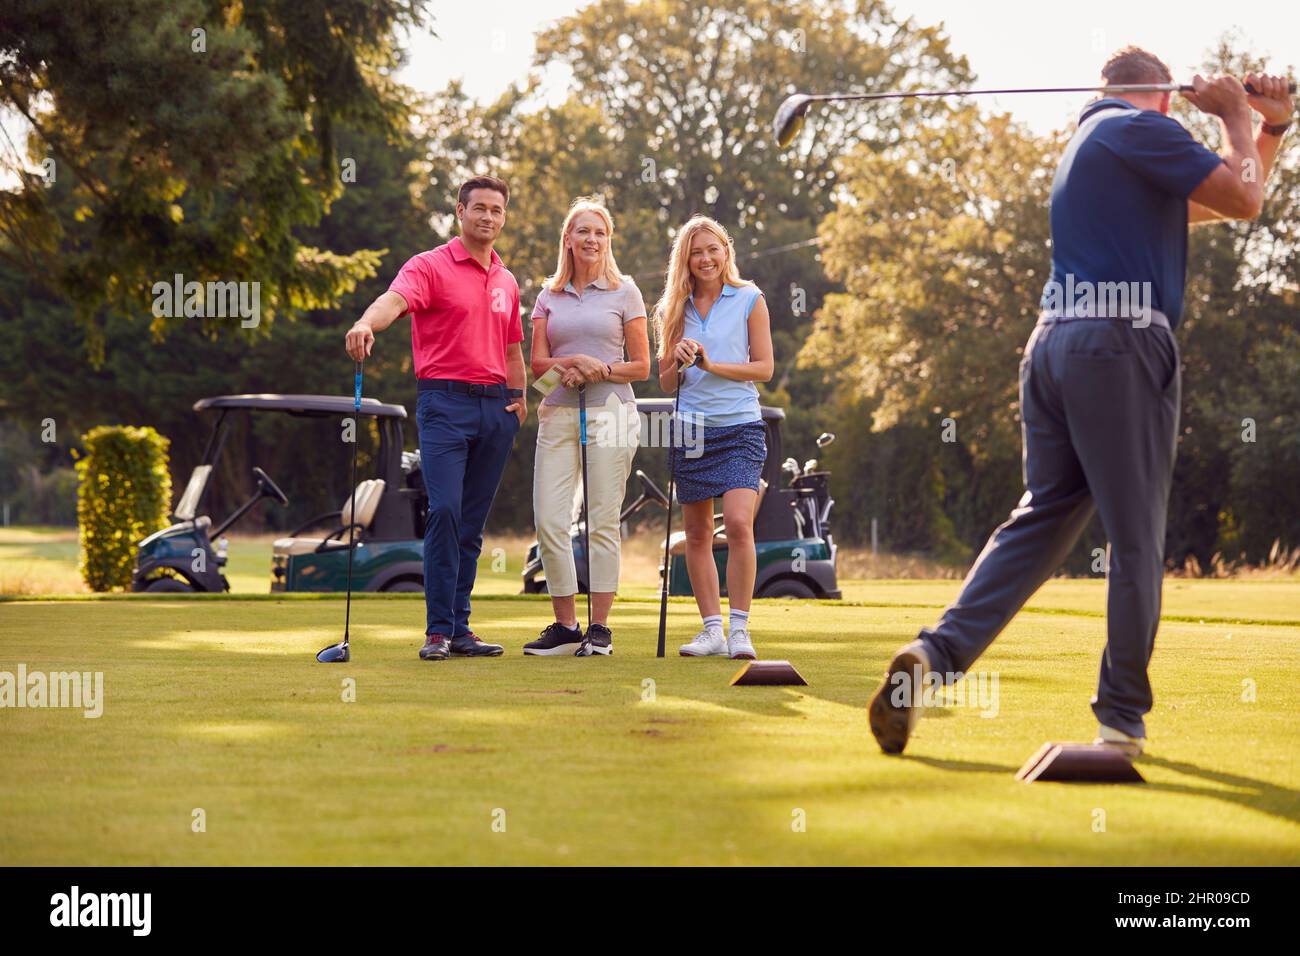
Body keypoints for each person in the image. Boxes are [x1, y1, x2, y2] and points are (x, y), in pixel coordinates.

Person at [868, 48, 1294, 755]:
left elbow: (1223, 200)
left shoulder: (1091, 145)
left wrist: (1267, 131)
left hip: (1053, 347)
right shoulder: (1140, 131)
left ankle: (933, 657)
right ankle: (1121, 718)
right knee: (1136, 540)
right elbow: (1246, 200)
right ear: (1160, 95)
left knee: (1042, 519)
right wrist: (1232, 117)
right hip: (1120, 345)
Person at [344, 176, 527, 661]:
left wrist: (519, 398)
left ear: (503, 217)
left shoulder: (507, 280)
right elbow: (394, 302)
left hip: (496, 408)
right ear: (460, 212)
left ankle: (462, 629)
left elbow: (512, 349)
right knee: (444, 510)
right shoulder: (429, 265)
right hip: (444, 404)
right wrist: (366, 322)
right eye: (480, 208)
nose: (488, 217)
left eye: (497, 210)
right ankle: (437, 632)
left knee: (471, 523)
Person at [524, 198, 650, 656]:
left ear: (607, 240)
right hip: (557, 414)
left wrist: (599, 369)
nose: (592, 239)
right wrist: (573, 363)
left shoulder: (625, 291)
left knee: (601, 520)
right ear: (568, 240)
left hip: (612, 414)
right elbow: (538, 368)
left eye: (600, 232)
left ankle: (599, 629)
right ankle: (565, 626)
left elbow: (640, 367)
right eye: (583, 231)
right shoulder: (547, 296)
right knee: (550, 520)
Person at [655, 216, 774, 661]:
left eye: (713, 249)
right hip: (691, 429)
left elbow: (764, 368)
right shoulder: (672, 309)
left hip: (740, 425)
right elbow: (666, 383)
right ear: (685, 259)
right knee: (698, 533)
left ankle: (740, 629)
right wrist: (680, 361)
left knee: (740, 524)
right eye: (696, 252)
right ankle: (711, 631)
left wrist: (709, 364)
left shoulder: (749, 299)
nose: (705, 259)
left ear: (726, 251)